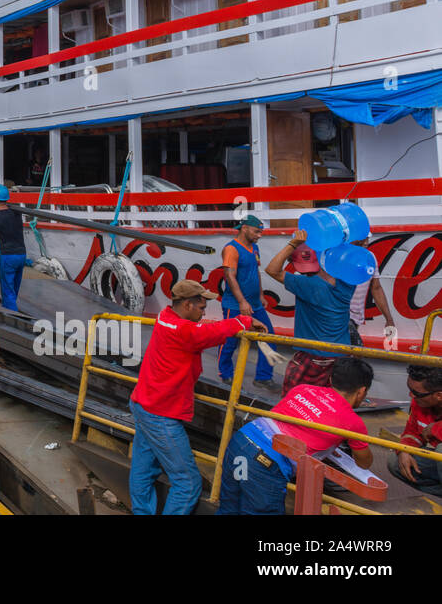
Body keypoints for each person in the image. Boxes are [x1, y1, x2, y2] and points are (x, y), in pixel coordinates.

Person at [129, 280, 259, 515]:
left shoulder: (165, 317)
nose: (204, 312)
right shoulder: (185, 331)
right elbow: (209, 332)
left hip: (144, 404)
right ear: (187, 305)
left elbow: (203, 329)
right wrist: (244, 321)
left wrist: (226, 323)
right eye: (201, 308)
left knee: (143, 469)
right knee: (188, 484)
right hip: (161, 414)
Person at [218, 357, 375, 515]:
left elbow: (298, 425)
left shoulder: (303, 389)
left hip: (241, 440)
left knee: (229, 508)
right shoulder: (353, 422)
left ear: (331, 379)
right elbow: (363, 463)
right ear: (361, 391)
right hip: (266, 462)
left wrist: (328, 446)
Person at [264, 229, 357, 395]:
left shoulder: (308, 284)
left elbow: (272, 270)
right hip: (341, 356)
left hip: (315, 356)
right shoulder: (348, 284)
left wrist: (293, 244)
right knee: (329, 405)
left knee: (294, 403)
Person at [217, 215, 276, 390]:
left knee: (268, 336)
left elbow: (255, 272)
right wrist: (242, 301)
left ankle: (263, 377)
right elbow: (229, 276)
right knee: (230, 341)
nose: (260, 235)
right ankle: (225, 374)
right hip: (235, 305)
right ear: (245, 228)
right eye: (257, 231)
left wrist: (260, 295)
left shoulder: (254, 248)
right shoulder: (231, 249)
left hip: (255, 304)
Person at [391, 364, 442, 496]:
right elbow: (412, 432)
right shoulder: (420, 402)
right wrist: (405, 450)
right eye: (409, 389)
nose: (411, 395)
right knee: (396, 463)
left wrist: (436, 428)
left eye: (417, 393)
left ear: (439, 395)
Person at [348, 238, 397, 347]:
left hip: (356, 318)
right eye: (362, 238)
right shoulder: (340, 257)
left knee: (350, 355)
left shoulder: (370, 258)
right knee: (355, 353)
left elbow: (376, 288)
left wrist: (389, 319)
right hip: (341, 317)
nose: (366, 241)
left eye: (367, 238)